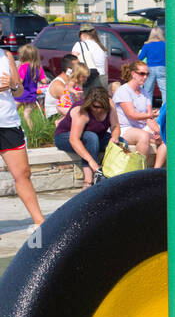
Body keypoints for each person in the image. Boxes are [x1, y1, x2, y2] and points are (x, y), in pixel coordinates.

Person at [0, 48, 44, 229]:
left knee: (23, 173)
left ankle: (40, 221)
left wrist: (12, 84)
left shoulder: (6, 55)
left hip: (8, 122)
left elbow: (19, 91)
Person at [53, 84, 121, 187]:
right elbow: (74, 140)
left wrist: (114, 137)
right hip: (64, 137)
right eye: (96, 107)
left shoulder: (110, 104)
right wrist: (91, 161)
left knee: (121, 142)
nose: (99, 110)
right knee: (90, 137)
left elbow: (115, 126)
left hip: (96, 136)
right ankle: (89, 180)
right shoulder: (81, 112)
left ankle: (113, 175)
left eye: (103, 107)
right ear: (89, 103)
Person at [114, 60, 161, 163]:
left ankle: (160, 171)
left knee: (165, 136)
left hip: (141, 127)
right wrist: (150, 115)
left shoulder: (144, 93)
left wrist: (158, 131)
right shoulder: (123, 91)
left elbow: (149, 118)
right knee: (143, 136)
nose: (145, 77)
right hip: (123, 128)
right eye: (142, 74)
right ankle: (141, 171)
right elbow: (132, 115)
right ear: (133, 74)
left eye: (147, 74)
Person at [15, 43, 47, 134]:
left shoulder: (23, 67)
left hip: (20, 94)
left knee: (12, 112)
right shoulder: (38, 68)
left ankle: (16, 131)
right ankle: (32, 132)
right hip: (31, 95)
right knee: (27, 115)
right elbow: (44, 81)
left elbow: (20, 81)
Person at [137, 27, 166, 105]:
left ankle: (148, 109)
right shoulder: (165, 44)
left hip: (150, 68)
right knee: (164, 90)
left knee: (148, 90)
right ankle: (165, 109)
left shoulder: (147, 45)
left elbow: (140, 57)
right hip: (162, 68)